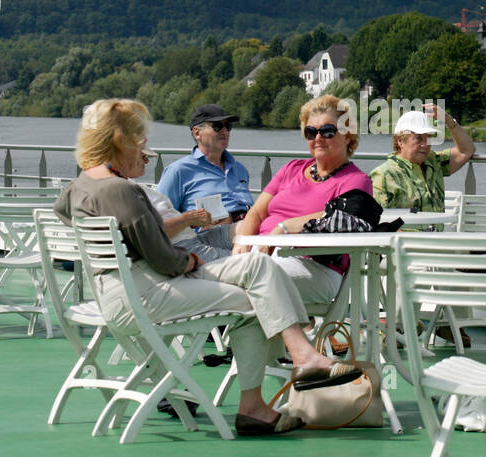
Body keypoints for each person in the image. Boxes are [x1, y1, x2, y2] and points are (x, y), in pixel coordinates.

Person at [54, 99, 361, 436]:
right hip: (145, 294)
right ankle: (261, 400)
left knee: (255, 267)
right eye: (140, 140)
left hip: (119, 292)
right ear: (118, 141)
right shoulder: (123, 191)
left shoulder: (78, 188)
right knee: (255, 301)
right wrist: (191, 260)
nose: (145, 149)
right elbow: (165, 260)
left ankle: (299, 358)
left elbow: (65, 213)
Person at [233, 94, 373, 307]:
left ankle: (297, 338)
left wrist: (285, 228)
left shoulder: (356, 181)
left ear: (347, 135)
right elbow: (257, 213)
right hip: (261, 257)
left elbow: (340, 218)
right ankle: (295, 338)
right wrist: (241, 245)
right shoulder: (292, 169)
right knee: (218, 276)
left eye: (327, 131)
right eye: (311, 132)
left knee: (249, 282)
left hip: (315, 267)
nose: (318, 138)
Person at [156, 103, 253, 261]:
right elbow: (161, 219)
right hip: (211, 240)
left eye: (228, 126)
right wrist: (197, 222)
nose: (225, 131)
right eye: (217, 126)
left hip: (247, 229)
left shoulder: (239, 169)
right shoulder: (179, 171)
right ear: (197, 133)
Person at [370, 103, 475, 213]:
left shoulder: (434, 162)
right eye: (418, 138)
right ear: (400, 141)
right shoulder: (383, 174)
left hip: (437, 230)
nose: (425, 144)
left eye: (428, 138)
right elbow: (377, 219)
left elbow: (466, 150)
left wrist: (448, 120)